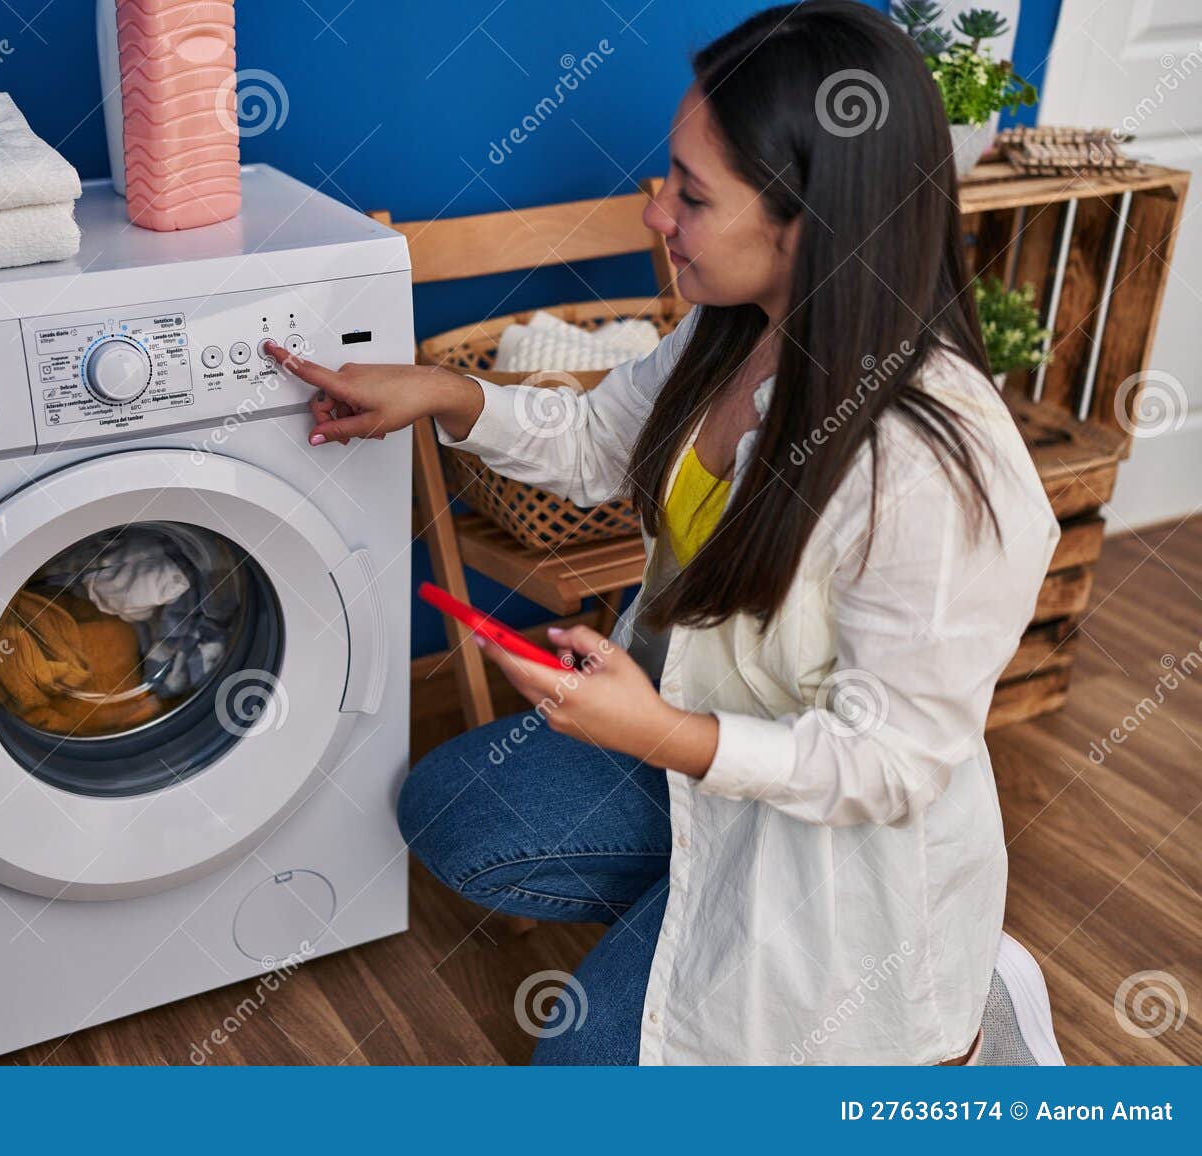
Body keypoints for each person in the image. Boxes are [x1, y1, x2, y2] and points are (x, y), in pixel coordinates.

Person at [265, 0, 1067, 1065]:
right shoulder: (734, 325)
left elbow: (887, 764)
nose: (656, 215)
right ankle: (691, 892)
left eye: (691, 195)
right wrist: (439, 393)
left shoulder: (933, 471)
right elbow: (596, 440)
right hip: (702, 743)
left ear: (808, 222)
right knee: (453, 805)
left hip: (841, 866)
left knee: (570, 1074)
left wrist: (651, 734)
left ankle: (944, 1014)